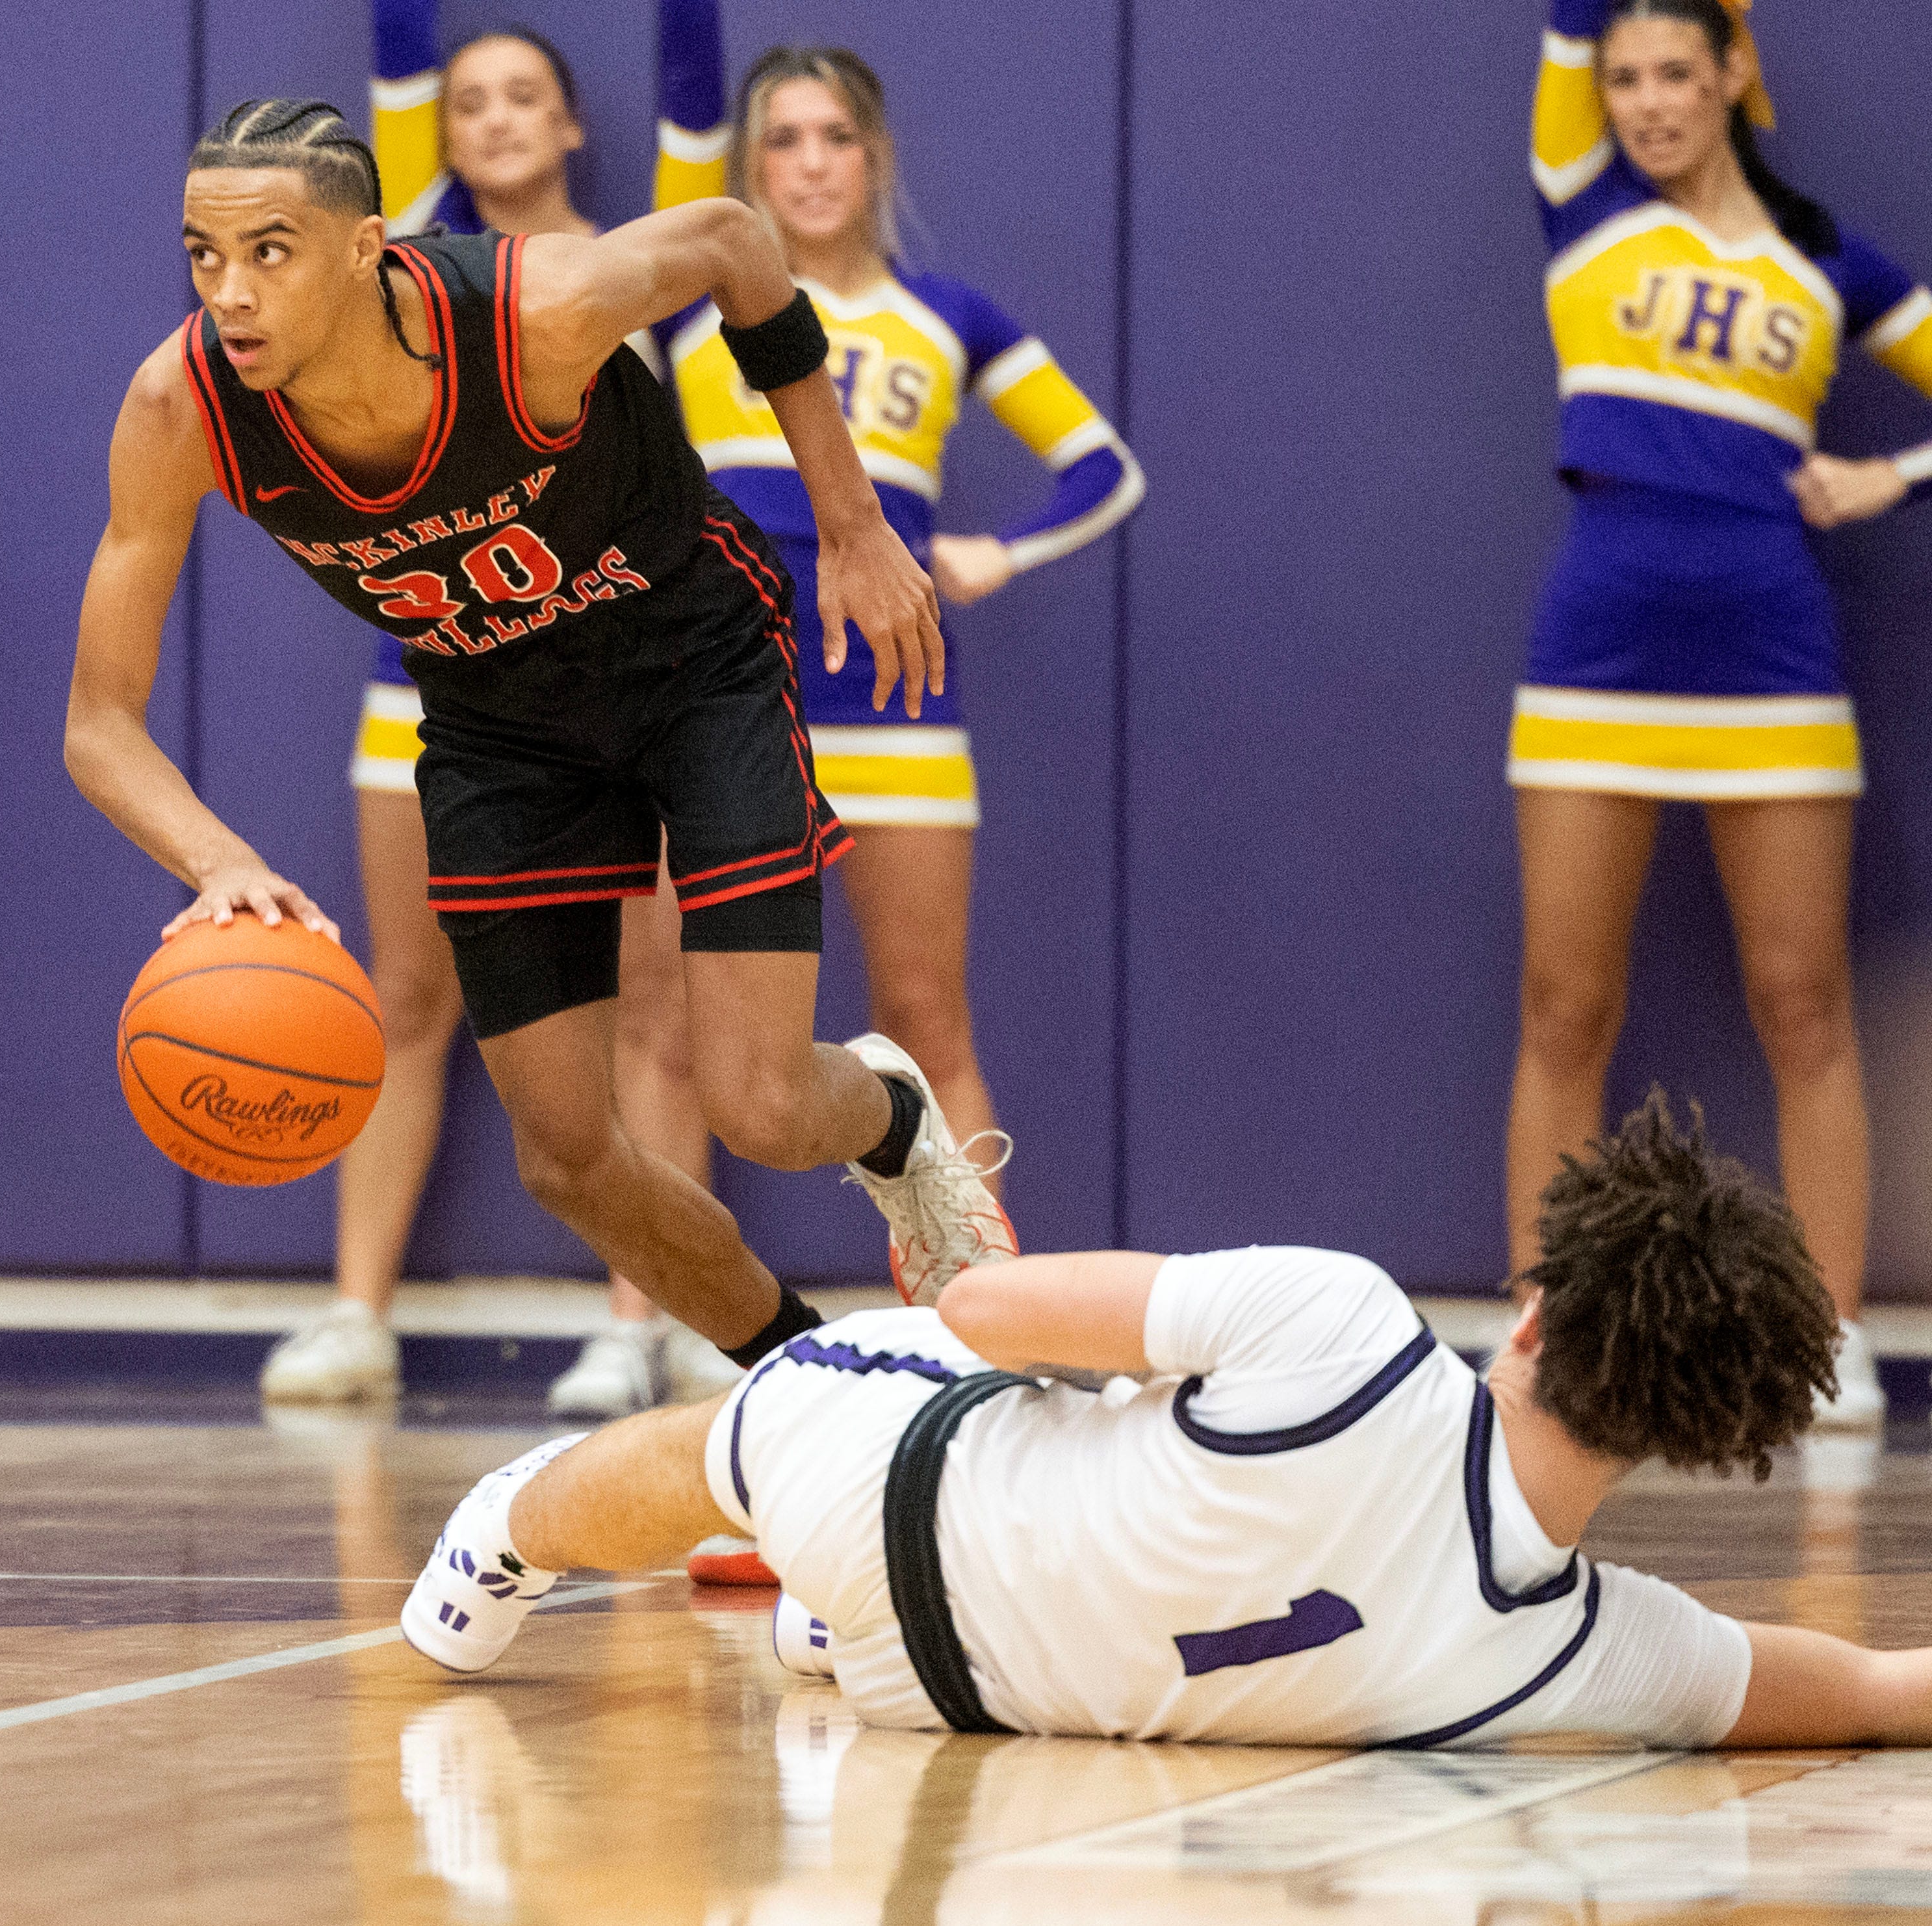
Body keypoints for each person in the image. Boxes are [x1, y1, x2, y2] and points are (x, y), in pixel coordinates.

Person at [64, 101, 1018, 1411]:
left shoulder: (532, 313)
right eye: (203, 256)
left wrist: (852, 524)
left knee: (759, 1102)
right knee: (566, 1160)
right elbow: (97, 723)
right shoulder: (182, 407)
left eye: (271, 251)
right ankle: (807, 1387)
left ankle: (898, 1122)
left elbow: (739, 241)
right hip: (495, 720)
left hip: (693, 660)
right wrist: (220, 861)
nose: (231, 293)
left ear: (367, 249)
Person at [402, 1093, 1932, 1753]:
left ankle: (505, 1532)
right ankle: (810, 1618)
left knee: (758, 1420)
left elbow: (986, 1310)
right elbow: (1869, 1695)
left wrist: (920, 1162)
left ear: (1532, 1313)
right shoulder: (1595, 1653)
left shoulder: (1352, 1325)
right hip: (938, 1698)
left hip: (894, 1507)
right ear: (1687, 1429)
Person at [261, 10, 710, 1416]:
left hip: (611, 697)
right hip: (428, 689)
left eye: (528, 96)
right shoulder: (393, 264)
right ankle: (354, 1318)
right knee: (406, 996)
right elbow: (399, 49)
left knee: (650, 1002)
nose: (499, 118)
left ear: (575, 125)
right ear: (439, 137)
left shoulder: (641, 274)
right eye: (473, 102)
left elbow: (699, 86)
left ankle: (647, 1316)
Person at [1509, 0, 1932, 1427]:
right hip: (1598, 648)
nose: (1644, 102)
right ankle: (1541, 1330)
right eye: (1623, 77)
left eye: (1675, 71)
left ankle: (1830, 1339)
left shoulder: (1823, 255)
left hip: (1773, 651)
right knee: (1567, 1005)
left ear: (1732, 72)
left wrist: (1896, 477)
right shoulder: (1582, 202)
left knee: (1805, 1003)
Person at [636, 0, 1144, 1178]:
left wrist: (1000, 551)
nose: (811, 164)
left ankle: (996, 1316)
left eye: (836, 136)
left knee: (926, 1019)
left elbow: (1105, 469)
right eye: (782, 140)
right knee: (669, 1024)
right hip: (721, 701)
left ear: (876, 155)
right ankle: (637, 1333)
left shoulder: (947, 318)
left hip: (900, 702)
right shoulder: (688, 309)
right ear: (746, 164)